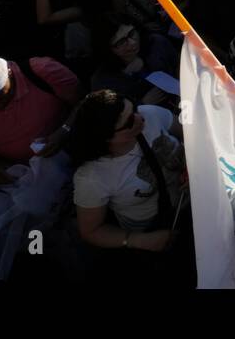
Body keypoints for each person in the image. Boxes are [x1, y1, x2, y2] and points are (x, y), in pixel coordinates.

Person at [67, 91, 185, 265]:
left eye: (134, 109)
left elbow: (189, 134)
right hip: (155, 227)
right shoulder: (92, 178)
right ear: (106, 137)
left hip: (192, 198)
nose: (140, 118)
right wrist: (138, 240)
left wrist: (191, 165)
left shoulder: (149, 114)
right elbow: (91, 231)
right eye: (129, 122)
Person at [0, 53, 82, 186]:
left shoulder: (42, 71)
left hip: (78, 155)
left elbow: (86, 102)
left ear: (10, 74)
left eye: (2, 99)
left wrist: (64, 131)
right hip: (26, 180)